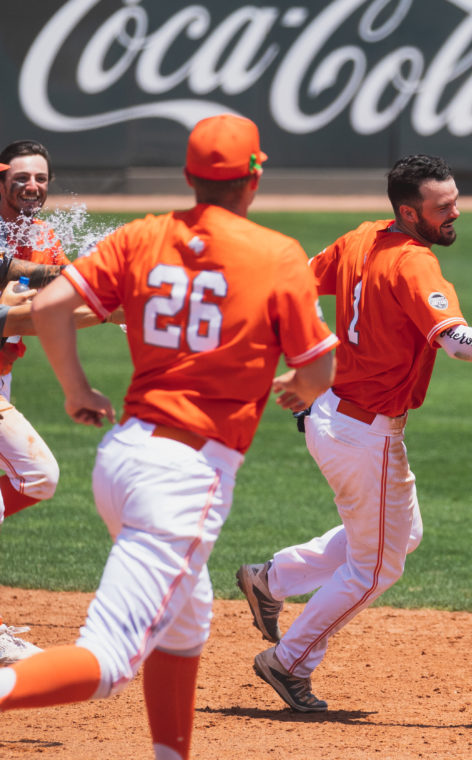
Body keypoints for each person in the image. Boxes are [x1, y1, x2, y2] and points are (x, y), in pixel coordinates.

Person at [0, 114, 338, 760]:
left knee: (187, 620)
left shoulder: (144, 234)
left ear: (188, 177)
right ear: (254, 178)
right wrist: (305, 389)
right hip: (184, 476)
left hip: (123, 459)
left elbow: (46, 308)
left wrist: (75, 391)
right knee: (108, 661)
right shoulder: (276, 253)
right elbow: (319, 366)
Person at [235, 153, 472, 713]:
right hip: (363, 432)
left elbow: (299, 282)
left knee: (399, 538)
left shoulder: (362, 238)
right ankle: (289, 661)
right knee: (378, 566)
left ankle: (270, 579)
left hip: (335, 416)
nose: (456, 213)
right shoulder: (413, 264)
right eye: (442, 207)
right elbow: (453, 340)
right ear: (409, 211)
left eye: (455, 200)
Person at [0, 144, 98, 665]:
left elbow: (65, 290)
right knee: (38, 476)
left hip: (3, 376)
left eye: (41, 177)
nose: (32, 185)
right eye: (21, 176)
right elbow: (26, 309)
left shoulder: (39, 235)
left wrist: (108, 298)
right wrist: (103, 302)